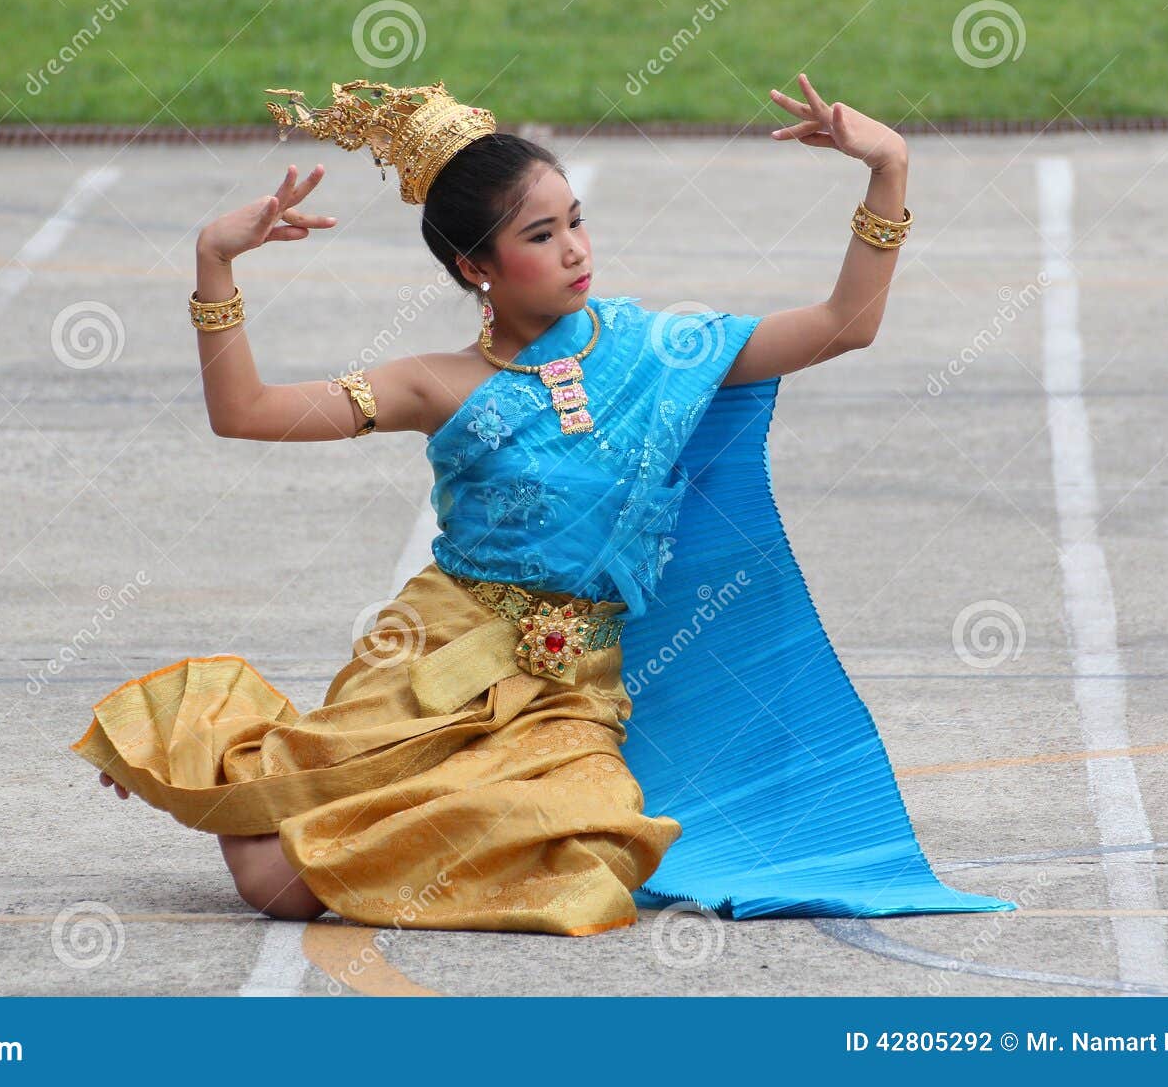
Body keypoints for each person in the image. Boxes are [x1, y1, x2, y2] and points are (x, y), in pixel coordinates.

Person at [72, 75, 1017, 935]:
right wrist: (214, 264)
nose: (574, 250)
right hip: (435, 661)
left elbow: (844, 325)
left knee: (598, 870)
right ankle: (241, 779)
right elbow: (246, 414)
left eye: (576, 220)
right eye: (539, 235)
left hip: (571, 695)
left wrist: (887, 168)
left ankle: (325, 804)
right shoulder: (433, 385)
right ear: (474, 267)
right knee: (281, 888)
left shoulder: (660, 349)